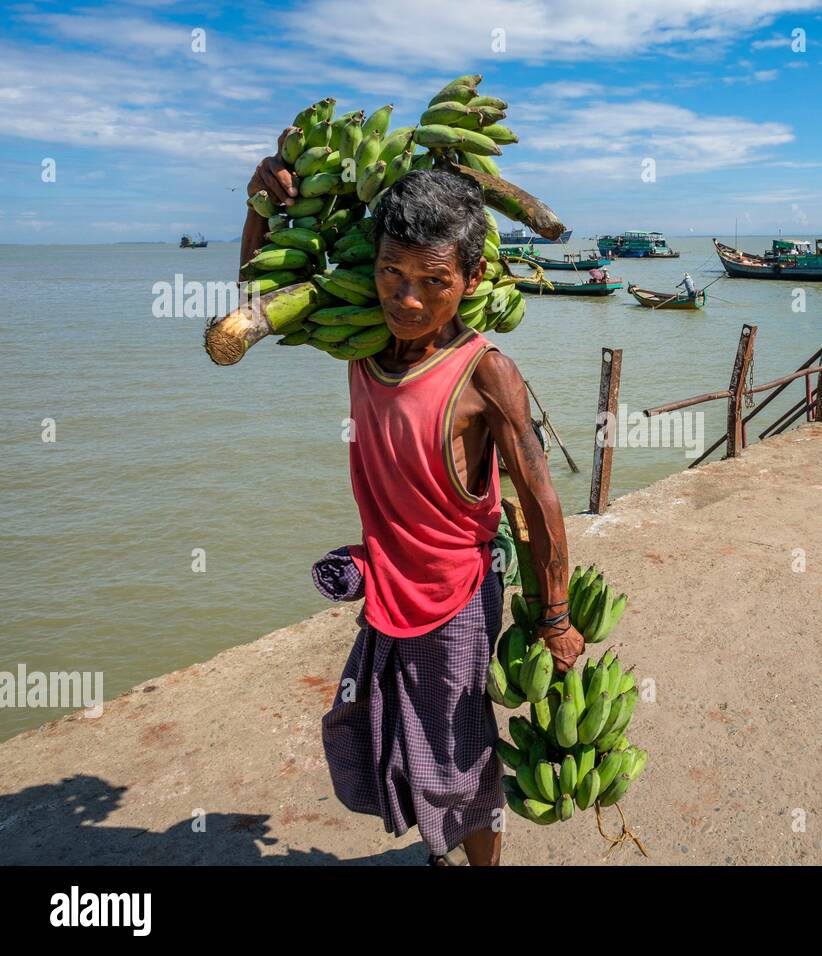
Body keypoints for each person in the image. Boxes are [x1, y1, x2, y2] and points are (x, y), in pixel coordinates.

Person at [242, 146, 584, 867]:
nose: (408, 299)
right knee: (378, 728)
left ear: (472, 278)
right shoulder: (363, 343)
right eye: (391, 274)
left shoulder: (485, 371)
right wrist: (259, 203)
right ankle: (438, 848)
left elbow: (539, 498)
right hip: (384, 588)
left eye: (434, 281)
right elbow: (258, 302)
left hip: (455, 596)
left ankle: (478, 860)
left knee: (459, 758)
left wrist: (553, 615)